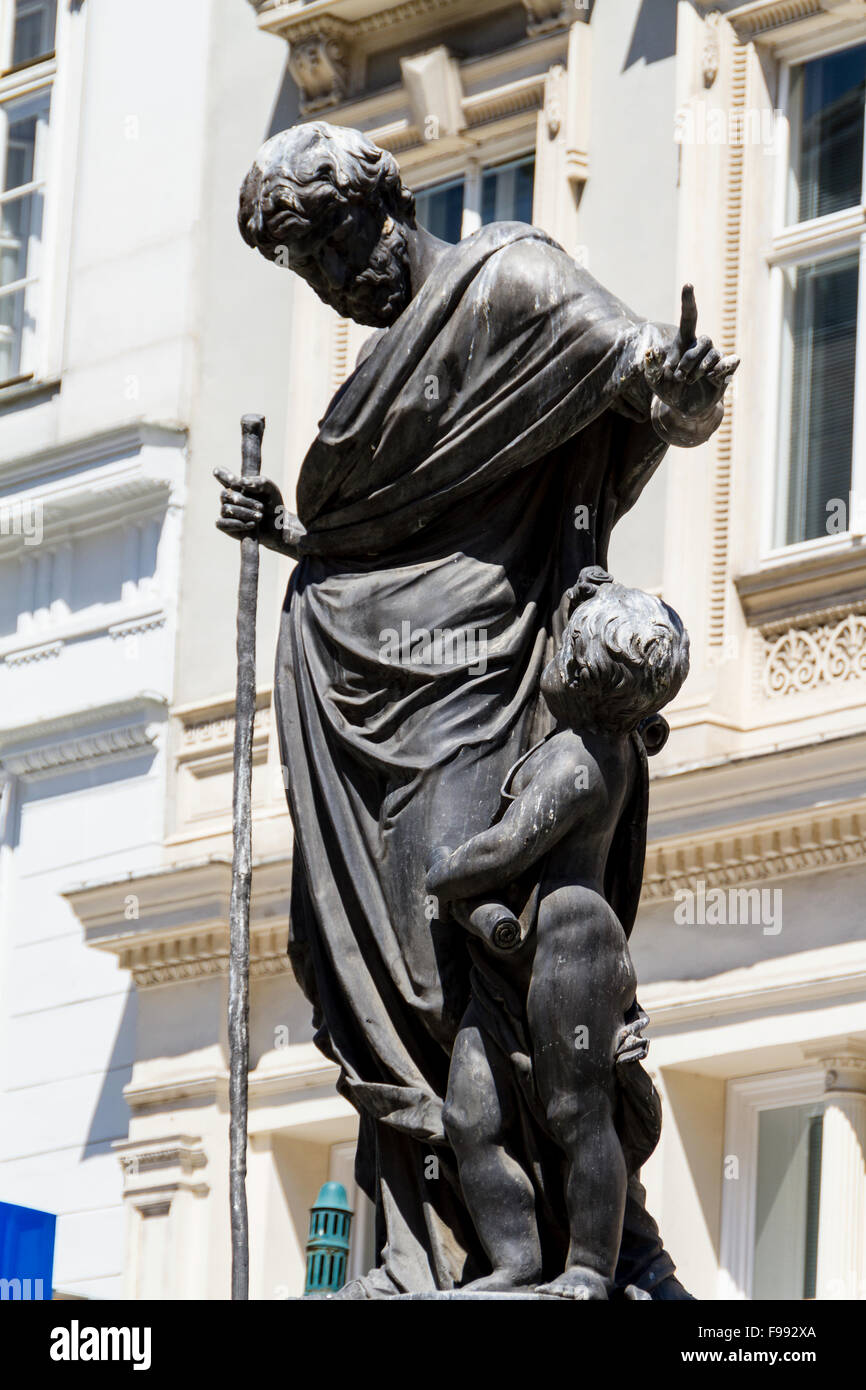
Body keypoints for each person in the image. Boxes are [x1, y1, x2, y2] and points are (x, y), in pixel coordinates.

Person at [215, 121, 737, 1296]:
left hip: (487, 685)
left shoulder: (512, 279)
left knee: (455, 951)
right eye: (307, 267)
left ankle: (585, 1248)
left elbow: (646, 384)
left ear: (387, 201)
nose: (336, 279)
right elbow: (377, 536)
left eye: (338, 240)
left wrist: (684, 392)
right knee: (371, 956)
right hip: (366, 702)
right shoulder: (376, 376)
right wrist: (290, 533)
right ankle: (443, 1247)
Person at [427, 568, 689, 1298]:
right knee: (471, 1114)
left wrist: (442, 872)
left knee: (578, 1112)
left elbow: (507, 848)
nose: (549, 656)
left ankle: (588, 1268)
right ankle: (515, 1262)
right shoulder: (595, 735)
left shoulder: (582, 760)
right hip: (514, 962)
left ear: (577, 676)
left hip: (575, 951)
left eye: (563, 648)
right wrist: (579, 602)